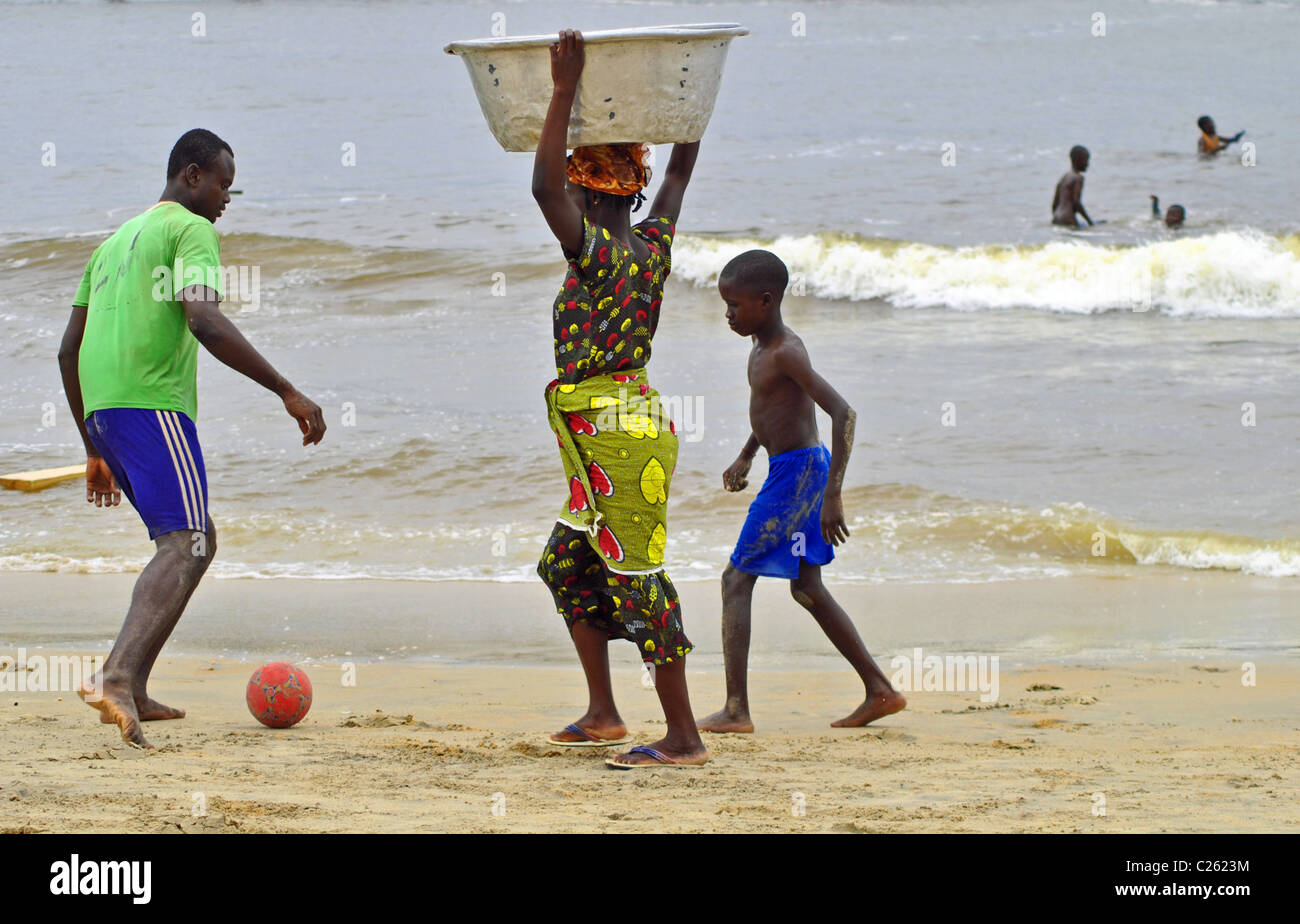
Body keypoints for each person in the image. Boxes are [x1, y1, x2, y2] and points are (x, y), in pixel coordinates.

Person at [58, 129, 326, 748]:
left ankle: (136, 684)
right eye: (223, 184)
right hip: (153, 404)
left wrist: (93, 446)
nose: (228, 198)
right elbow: (201, 316)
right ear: (191, 175)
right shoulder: (191, 229)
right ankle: (117, 676)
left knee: (193, 539)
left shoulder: (113, 242)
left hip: (105, 408)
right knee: (188, 541)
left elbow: (69, 349)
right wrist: (286, 389)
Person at [531, 30, 708, 769]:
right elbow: (682, 169)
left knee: (638, 579)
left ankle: (685, 737)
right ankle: (604, 712)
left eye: (572, 182)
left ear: (583, 190)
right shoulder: (653, 243)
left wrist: (565, 89)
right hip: (603, 435)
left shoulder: (598, 251)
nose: (563, 191)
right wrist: (686, 98)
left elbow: (539, 187)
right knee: (567, 566)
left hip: (620, 438)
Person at [697, 250, 906, 734]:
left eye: (735, 305)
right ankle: (880, 690)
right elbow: (774, 410)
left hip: (799, 476)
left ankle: (735, 710)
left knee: (734, 580)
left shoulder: (786, 350)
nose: (727, 314)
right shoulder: (760, 347)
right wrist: (748, 453)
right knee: (807, 587)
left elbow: (843, 413)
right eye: (725, 304)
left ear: (766, 302)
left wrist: (833, 494)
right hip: (791, 467)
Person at [1052, 146, 1095, 227]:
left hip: (1057, 217)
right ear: (1078, 160)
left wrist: (1054, 216)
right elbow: (1076, 202)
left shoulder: (1065, 177)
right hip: (1068, 218)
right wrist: (1089, 222)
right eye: (1086, 160)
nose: (1088, 164)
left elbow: (1055, 203)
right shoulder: (1078, 178)